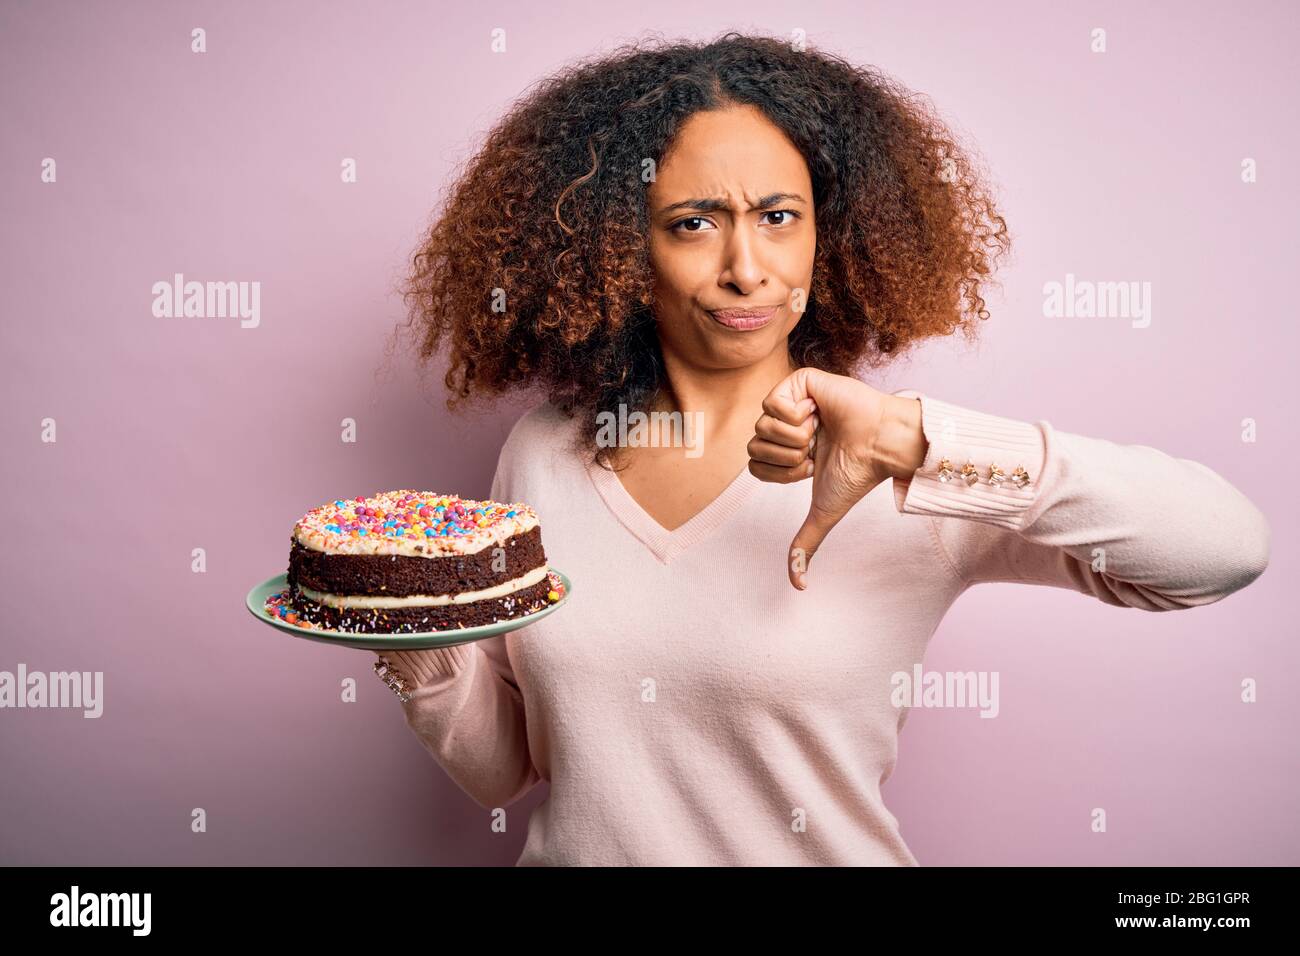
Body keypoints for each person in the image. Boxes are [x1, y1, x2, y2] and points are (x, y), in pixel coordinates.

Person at [371, 33, 1270, 865]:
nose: (747, 268)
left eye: (778, 216)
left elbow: (1224, 550)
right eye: (692, 222)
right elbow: (504, 769)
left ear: (826, 233)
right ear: (619, 250)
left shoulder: (906, 467)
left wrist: (913, 439)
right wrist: (396, 620)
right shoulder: (546, 454)